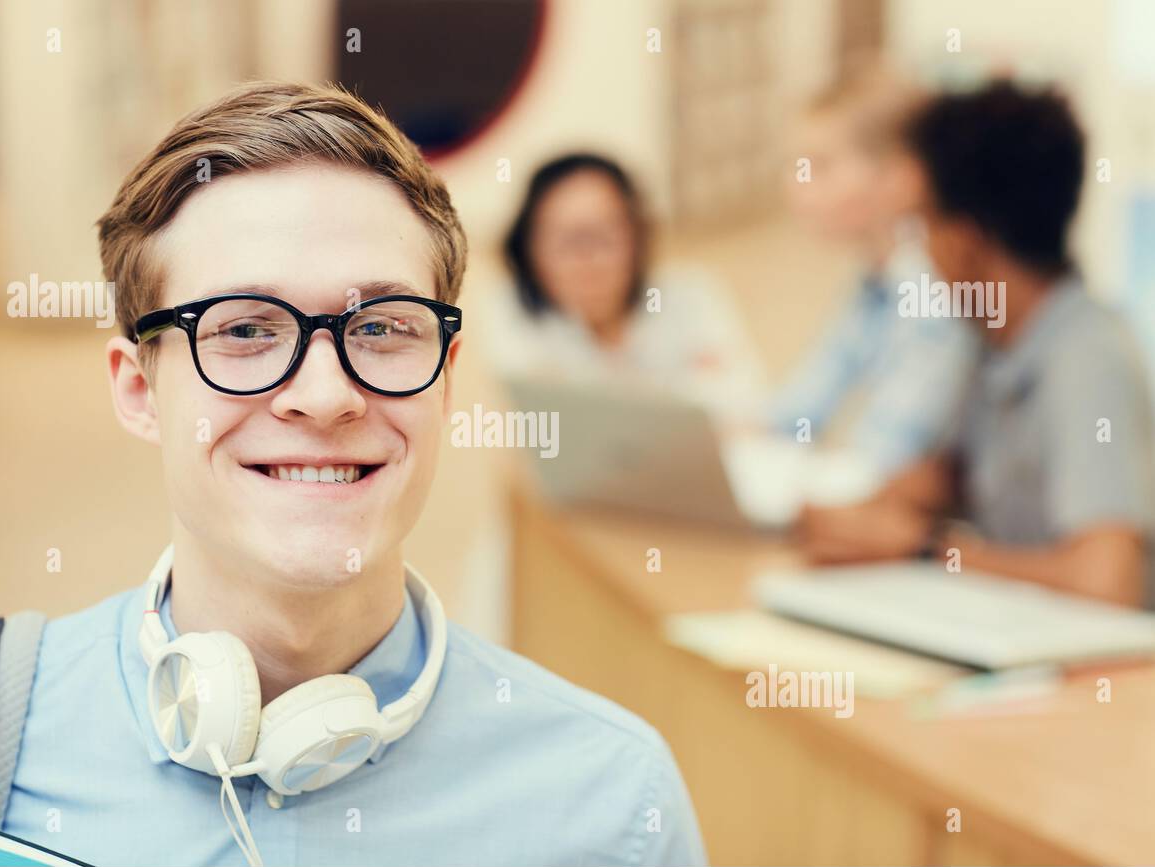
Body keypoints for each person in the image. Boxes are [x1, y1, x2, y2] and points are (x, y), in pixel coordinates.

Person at [0, 82, 707, 866]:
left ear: (446, 380)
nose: (326, 395)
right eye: (244, 329)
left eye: (381, 329)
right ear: (139, 390)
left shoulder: (611, 805)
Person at [797, 80, 1155, 610]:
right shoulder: (994, 341)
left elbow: (1107, 583)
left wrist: (924, 552)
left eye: (921, 227)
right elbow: (951, 473)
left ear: (964, 245)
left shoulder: (1086, 358)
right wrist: (862, 516)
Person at [765, 66, 979, 482]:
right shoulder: (874, 281)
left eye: (819, 167)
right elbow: (799, 411)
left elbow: (885, 457)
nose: (795, 184)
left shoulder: (932, 295)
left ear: (901, 177)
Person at [491, 152, 766, 423]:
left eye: (604, 235)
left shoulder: (691, 297)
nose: (589, 260)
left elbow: (746, 409)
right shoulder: (514, 313)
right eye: (568, 241)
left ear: (637, 236)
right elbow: (527, 441)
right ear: (530, 251)